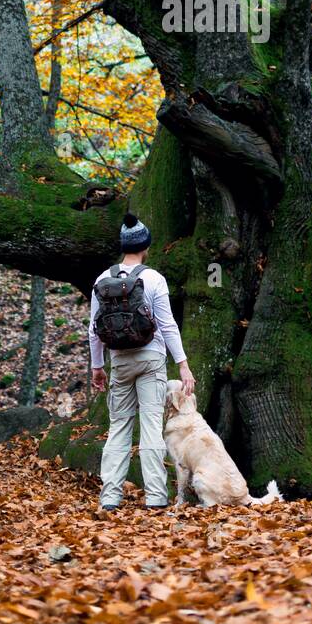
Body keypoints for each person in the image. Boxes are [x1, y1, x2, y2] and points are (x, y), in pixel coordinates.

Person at [89, 212, 195, 510]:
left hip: (120, 362)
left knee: (119, 426)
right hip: (151, 359)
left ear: (123, 246)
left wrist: (97, 367)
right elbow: (168, 324)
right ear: (145, 246)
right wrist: (183, 363)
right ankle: (156, 497)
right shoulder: (153, 278)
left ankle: (110, 497)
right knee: (150, 426)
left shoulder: (102, 279)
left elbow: (94, 329)